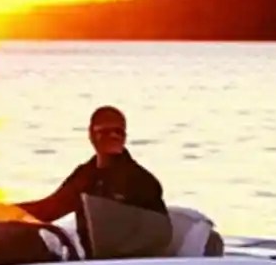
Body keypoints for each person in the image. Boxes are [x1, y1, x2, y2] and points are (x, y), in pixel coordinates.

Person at [12, 105, 169, 257]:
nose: (113, 136)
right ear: (91, 135)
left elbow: (156, 235)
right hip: (91, 261)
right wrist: (6, 211)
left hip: (127, 262)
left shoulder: (142, 181)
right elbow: (51, 208)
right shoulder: (85, 175)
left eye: (118, 131)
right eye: (104, 131)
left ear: (125, 137)